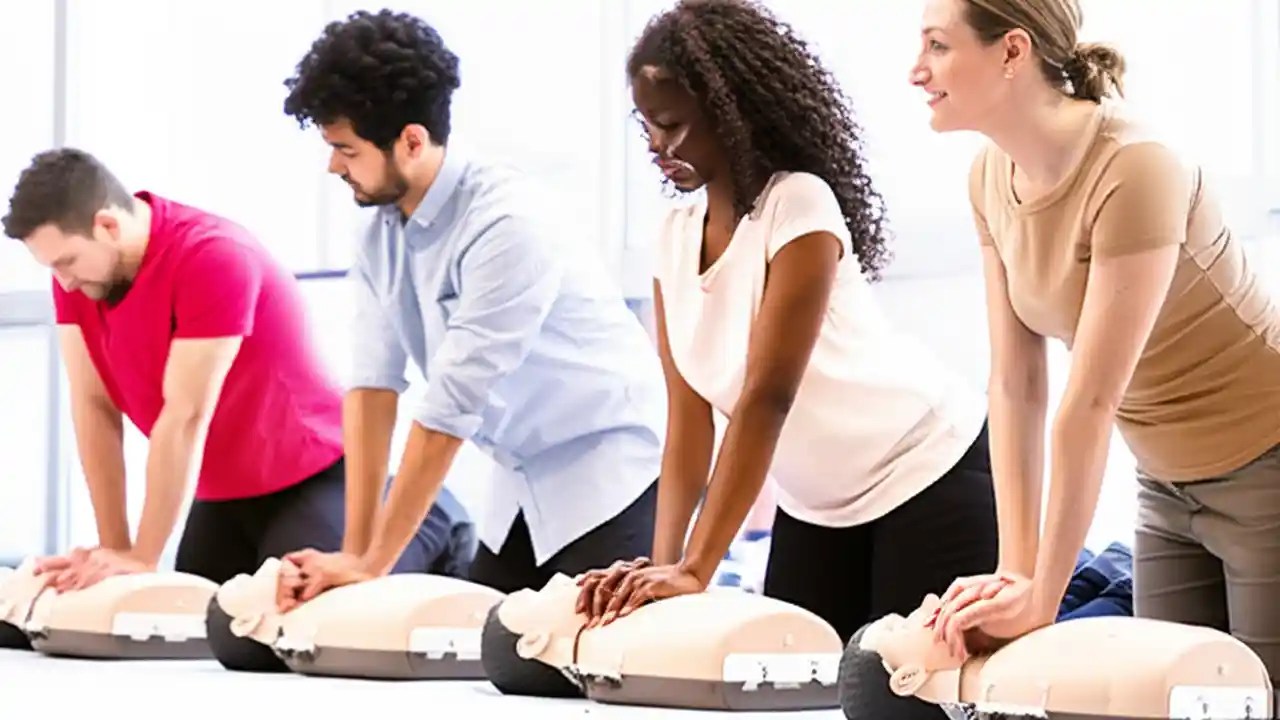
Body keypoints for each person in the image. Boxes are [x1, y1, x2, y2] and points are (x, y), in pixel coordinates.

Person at [575, 0, 999, 645]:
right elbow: (688, 424)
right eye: (647, 127)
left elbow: (766, 399)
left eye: (673, 125)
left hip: (924, 469)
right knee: (796, 678)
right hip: (817, 506)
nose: (658, 147)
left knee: (901, 693)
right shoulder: (672, 234)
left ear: (732, 115)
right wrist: (664, 568)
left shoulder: (797, 204)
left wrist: (697, 569)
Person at [912, 0, 1280, 678]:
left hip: (1266, 463)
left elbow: (1088, 404)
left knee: (1261, 693)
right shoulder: (989, 177)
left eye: (937, 46)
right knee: (1170, 692)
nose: (916, 70)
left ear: (1012, 52)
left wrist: (1042, 601)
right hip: (1165, 482)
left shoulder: (1136, 165)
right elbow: (1017, 386)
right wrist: (1014, 572)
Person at [275, 9, 668, 604]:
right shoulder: (380, 230)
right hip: (518, 482)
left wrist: (375, 564)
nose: (334, 165)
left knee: (555, 660)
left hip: (609, 472)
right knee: (485, 651)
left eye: (346, 150)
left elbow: (449, 408)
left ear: (410, 140)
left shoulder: (507, 223)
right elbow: (372, 389)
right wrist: (355, 554)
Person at [2, 147, 465, 594]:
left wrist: (143, 559)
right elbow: (93, 406)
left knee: (303, 613)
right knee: (202, 625)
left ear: (106, 225)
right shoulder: (82, 277)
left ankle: (435, 520)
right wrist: (115, 549)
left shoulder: (212, 254)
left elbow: (184, 415)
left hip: (315, 472)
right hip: (225, 493)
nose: (62, 281)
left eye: (66, 262)